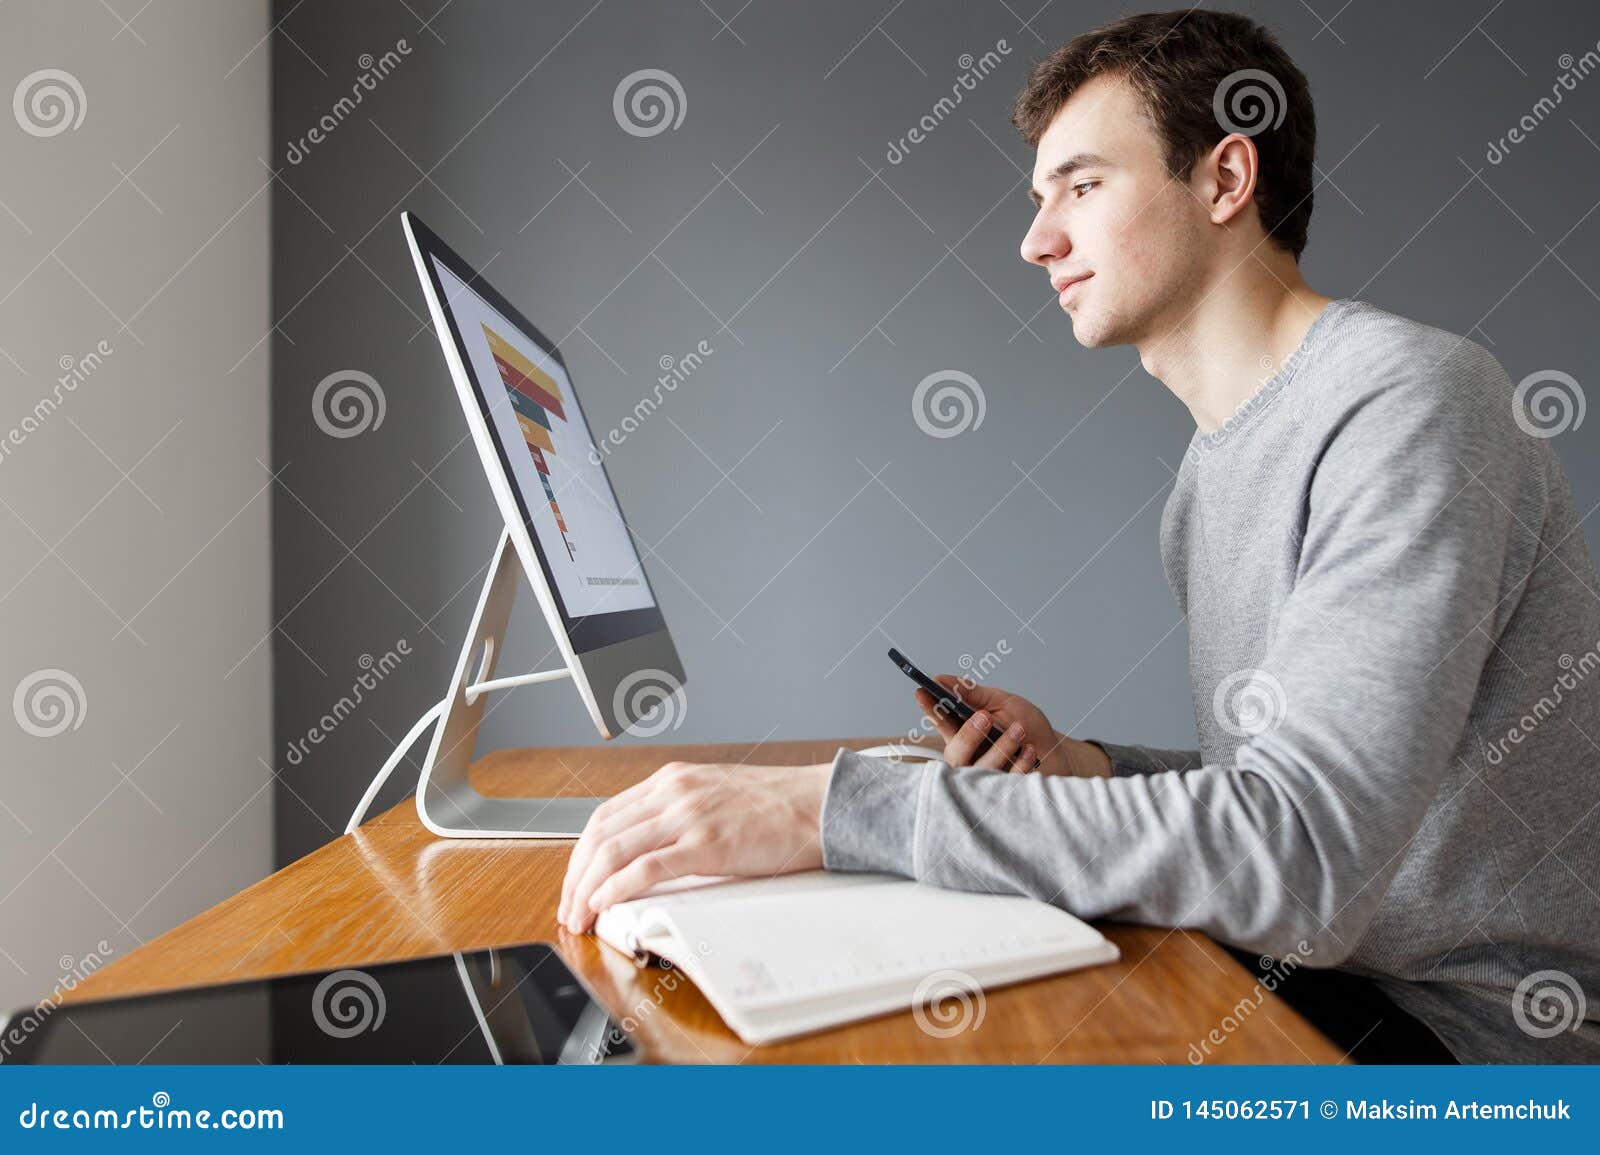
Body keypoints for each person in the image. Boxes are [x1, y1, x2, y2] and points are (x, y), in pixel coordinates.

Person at [559, 10, 1600, 1062]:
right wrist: (1088, 766)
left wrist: (825, 810)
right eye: (1038, 197)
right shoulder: (1208, 477)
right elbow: (1309, 780)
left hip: (1474, 1047)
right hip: (1321, 984)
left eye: (1082, 186)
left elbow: (1305, 859)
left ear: (1225, 180)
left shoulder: (1406, 405)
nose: (1036, 238)